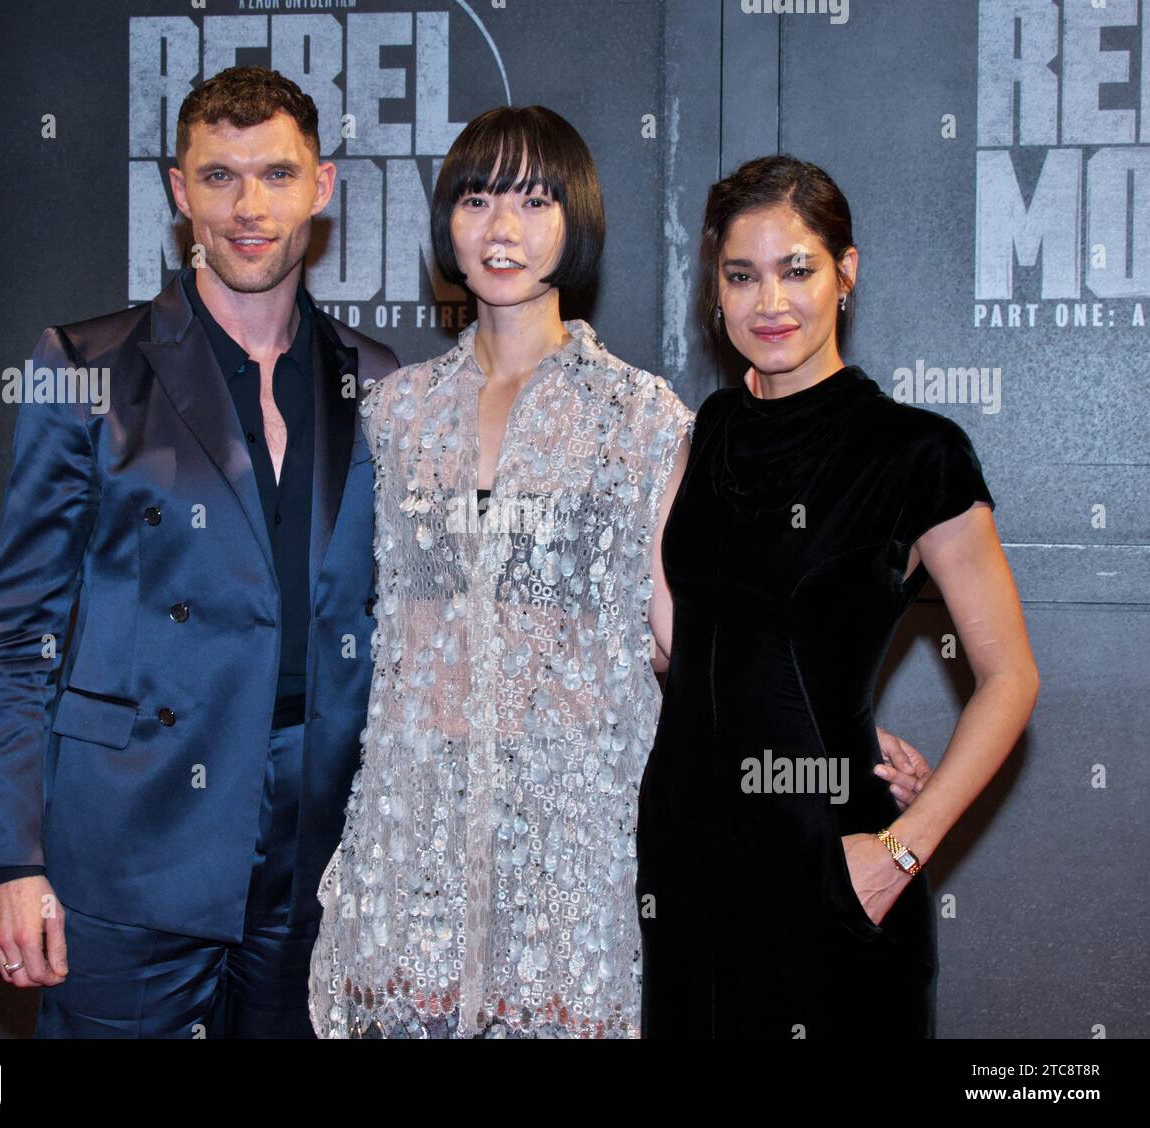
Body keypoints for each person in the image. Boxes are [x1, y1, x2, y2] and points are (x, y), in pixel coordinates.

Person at [307, 111, 931, 1039]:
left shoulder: (640, 421)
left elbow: (690, 637)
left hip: (575, 846)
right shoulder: (395, 414)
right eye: (477, 200)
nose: (502, 229)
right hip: (415, 841)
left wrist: (834, 737)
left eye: (534, 199)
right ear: (446, 224)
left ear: (579, 220)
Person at [0, 66, 398, 1037]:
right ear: (177, 191)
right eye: (219, 177)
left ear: (320, 189)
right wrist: (11, 860)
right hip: (128, 836)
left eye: (276, 176)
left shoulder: (376, 382)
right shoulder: (87, 368)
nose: (249, 208)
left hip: (315, 852)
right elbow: (16, 637)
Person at [635, 154, 1040, 1038]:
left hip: (828, 857)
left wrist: (901, 850)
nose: (768, 302)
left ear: (846, 272)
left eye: (798, 270)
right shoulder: (706, 432)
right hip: (687, 851)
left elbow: (1011, 679)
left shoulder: (915, 453)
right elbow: (676, 640)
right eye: (742, 276)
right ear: (715, 287)